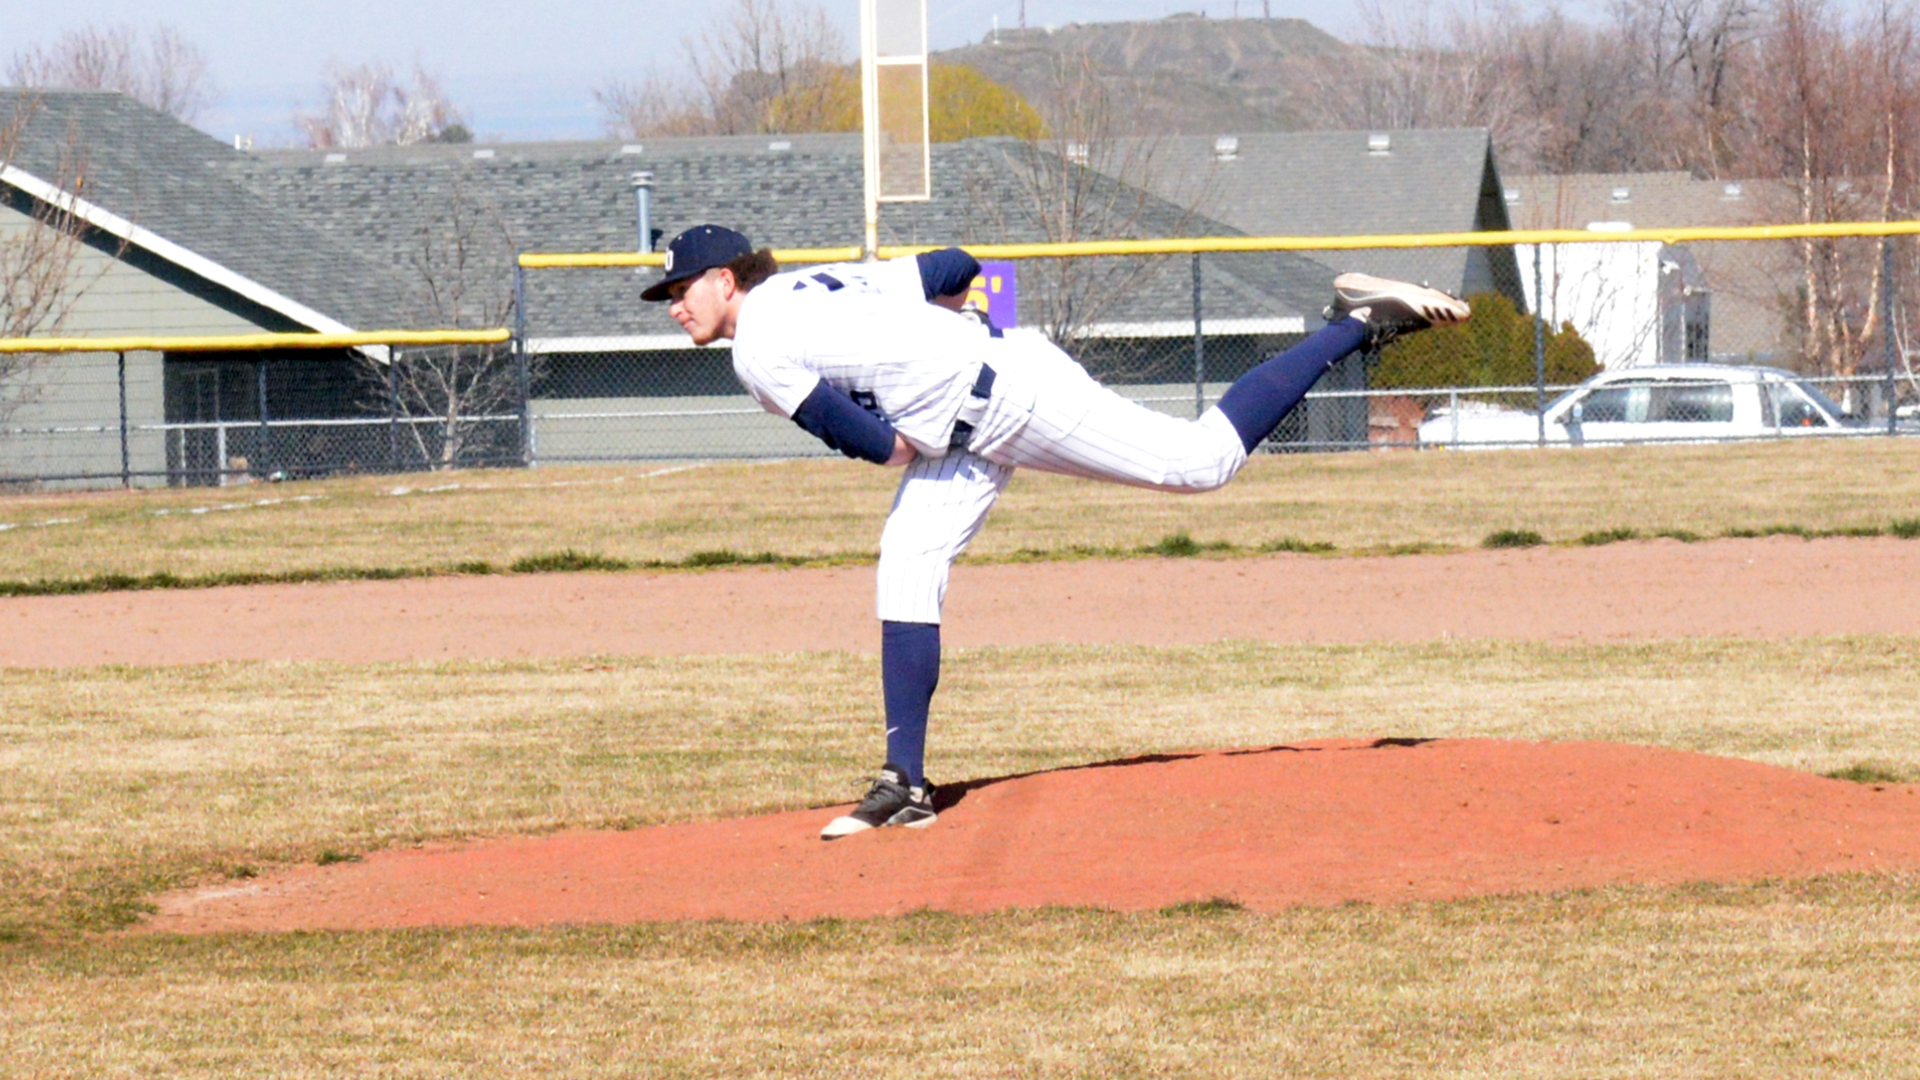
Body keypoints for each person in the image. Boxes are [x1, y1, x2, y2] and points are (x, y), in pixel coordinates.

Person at [642, 224, 1470, 839]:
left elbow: (877, 445)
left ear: (724, 279)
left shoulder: (756, 349)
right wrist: (932, 335)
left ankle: (1352, 323)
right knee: (906, 564)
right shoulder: (818, 284)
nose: (675, 306)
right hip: (971, 415)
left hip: (1006, 401)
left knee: (1199, 461)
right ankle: (905, 784)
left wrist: (918, 374)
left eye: (681, 289)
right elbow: (954, 268)